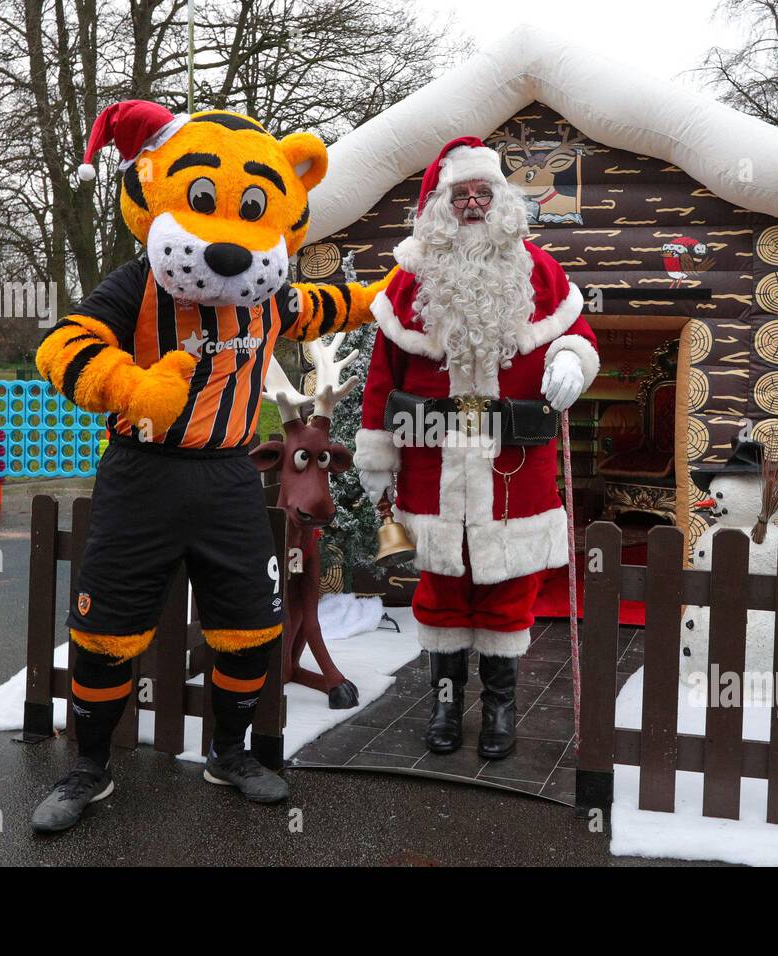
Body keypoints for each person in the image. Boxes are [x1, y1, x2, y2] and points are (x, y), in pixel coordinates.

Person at [29, 100, 392, 832]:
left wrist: (394, 294)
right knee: (106, 634)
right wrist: (127, 385)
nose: (227, 241)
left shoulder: (268, 298)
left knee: (248, 627)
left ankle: (231, 752)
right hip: (142, 474)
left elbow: (333, 305)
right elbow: (62, 346)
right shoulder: (140, 285)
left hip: (229, 477)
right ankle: (89, 768)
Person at [355, 136, 599, 760]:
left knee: (507, 589)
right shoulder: (409, 280)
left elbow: (578, 333)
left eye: (481, 193)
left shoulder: (540, 271)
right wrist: (378, 454)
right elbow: (384, 377)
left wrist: (572, 360)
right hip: (431, 464)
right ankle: (443, 704)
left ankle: (498, 708)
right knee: (437, 587)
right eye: (459, 194)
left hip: (515, 466)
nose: (471, 204)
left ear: (501, 200)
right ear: (441, 203)